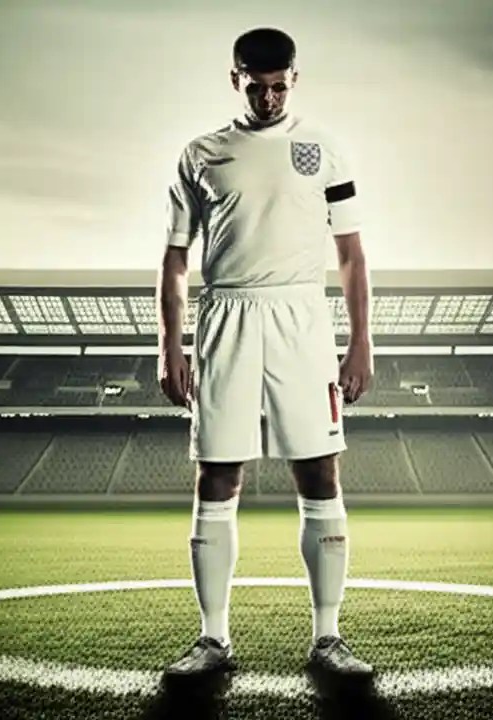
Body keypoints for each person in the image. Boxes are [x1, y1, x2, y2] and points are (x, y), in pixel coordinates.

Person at [156, 27, 374, 681]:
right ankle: (213, 640)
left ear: (294, 80)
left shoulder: (324, 150)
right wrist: (171, 345)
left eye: (280, 86)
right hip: (226, 317)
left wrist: (361, 340)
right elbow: (173, 261)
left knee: (320, 472)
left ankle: (329, 638)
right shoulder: (201, 154)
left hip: (303, 318)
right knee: (217, 476)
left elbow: (352, 255)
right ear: (236, 79)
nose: (270, 98)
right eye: (257, 86)